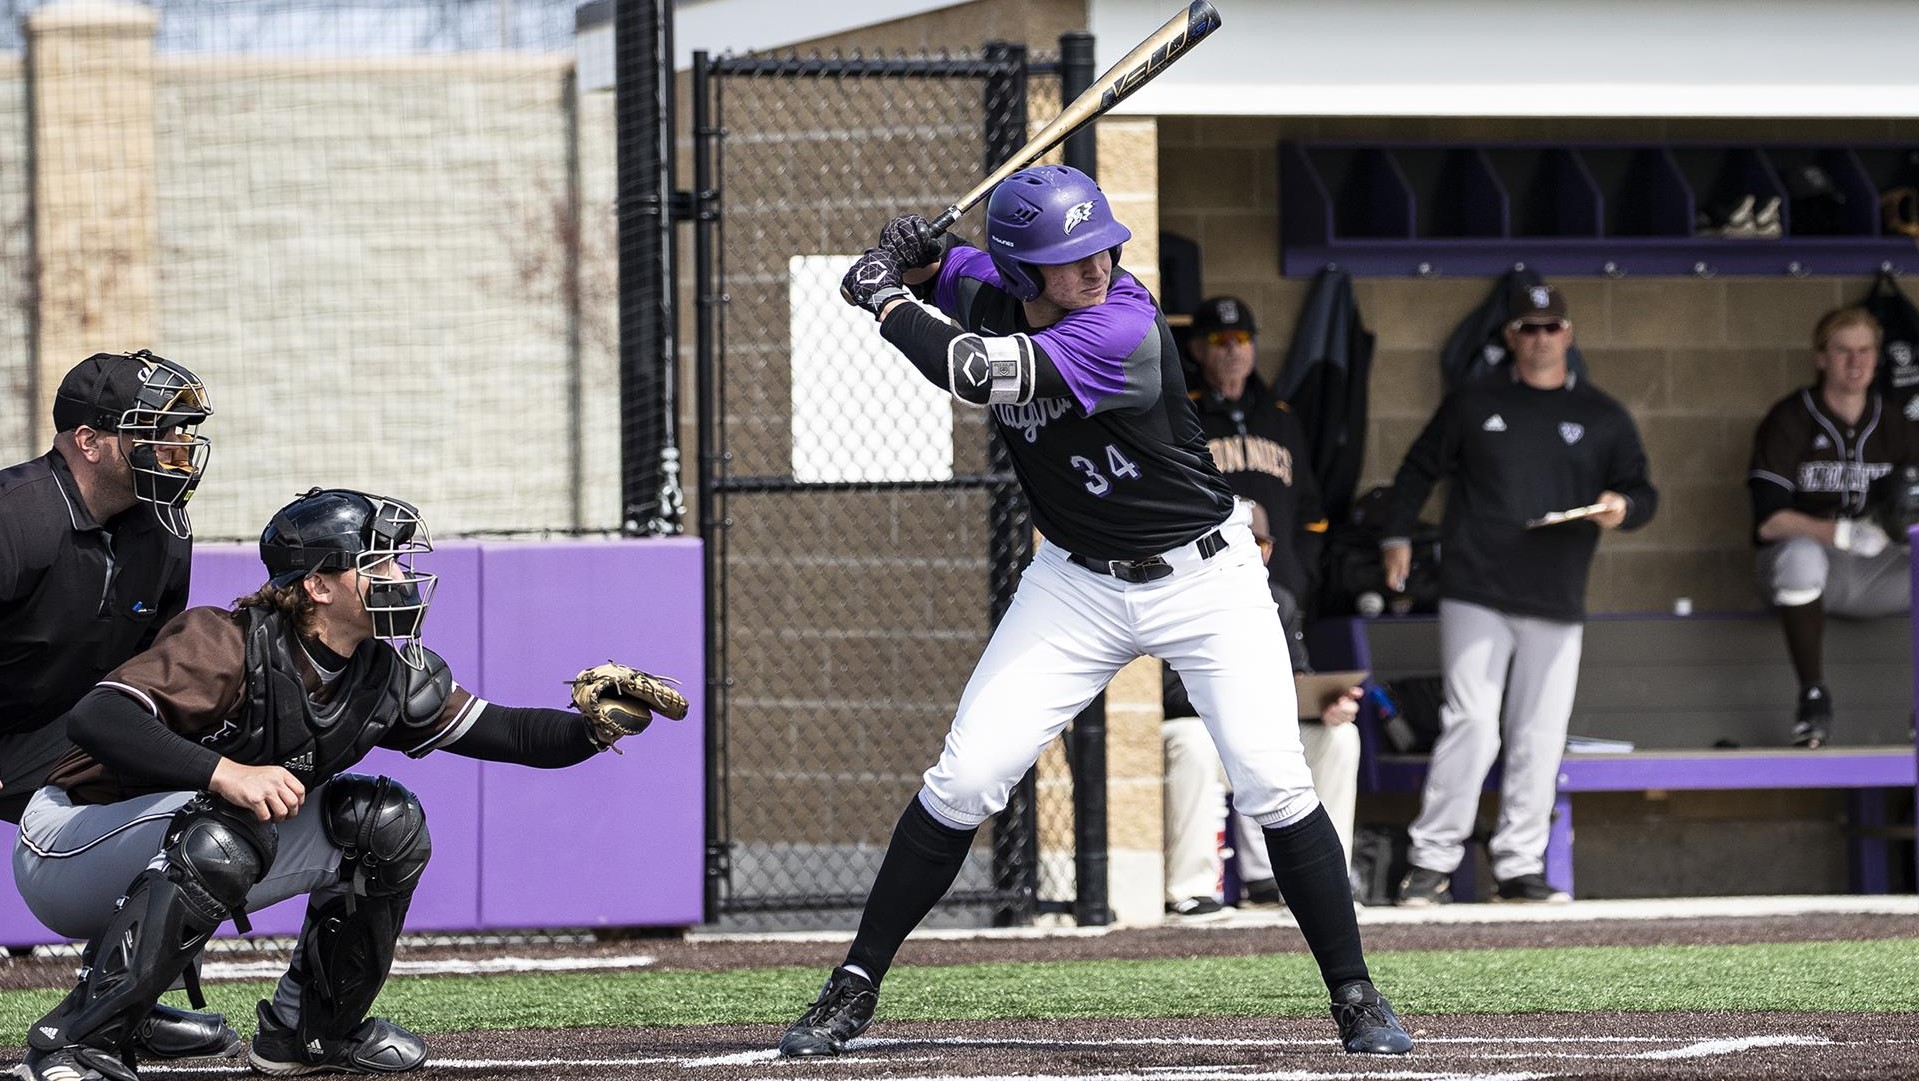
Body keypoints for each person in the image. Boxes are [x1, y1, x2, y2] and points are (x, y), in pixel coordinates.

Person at [778, 165, 1413, 1058]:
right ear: (1021, 269)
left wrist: (884, 299)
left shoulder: (1125, 324)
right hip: (1075, 581)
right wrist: (914, 258)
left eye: (1101, 246)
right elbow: (950, 273)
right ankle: (851, 986)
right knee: (964, 778)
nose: (1097, 265)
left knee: (1273, 780)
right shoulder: (995, 283)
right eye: (1069, 257)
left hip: (1204, 577)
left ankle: (1354, 994)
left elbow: (970, 370)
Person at [11, 487, 684, 1081]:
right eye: (378, 563)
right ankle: (74, 1042)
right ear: (317, 585)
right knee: (222, 831)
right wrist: (227, 772)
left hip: (189, 835)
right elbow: (97, 716)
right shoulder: (226, 642)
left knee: (385, 821)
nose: (400, 576)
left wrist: (591, 727)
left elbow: (504, 732)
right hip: (69, 839)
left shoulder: (382, 673)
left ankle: (312, 1032)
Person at [1379, 282, 1657, 906]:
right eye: (1527, 328)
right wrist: (1394, 533)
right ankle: (1430, 861)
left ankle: (1519, 863)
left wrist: (1622, 507)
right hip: (1476, 587)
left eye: (1550, 327)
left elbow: (1641, 491)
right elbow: (1418, 468)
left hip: (1557, 595)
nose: (1540, 338)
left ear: (1569, 333)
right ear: (1509, 336)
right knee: (1472, 723)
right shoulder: (1474, 401)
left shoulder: (1602, 414)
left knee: (1539, 732)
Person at [0, 350, 241, 1063]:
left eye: (182, 431)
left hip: (65, 729)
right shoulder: (14, 519)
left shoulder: (164, 529)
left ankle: (118, 997)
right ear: (88, 440)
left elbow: (148, 678)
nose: (177, 448)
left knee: (199, 781)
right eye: (156, 430)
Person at [1161, 297, 1361, 918]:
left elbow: (1311, 513)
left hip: (1278, 599)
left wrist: (1325, 699)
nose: (1231, 349)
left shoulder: (1281, 417)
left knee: (1333, 735)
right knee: (1212, 738)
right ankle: (1204, 887)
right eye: (1219, 339)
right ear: (1198, 349)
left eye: (1242, 337)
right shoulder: (1184, 413)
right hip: (1201, 670)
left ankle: (1311, 885)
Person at [1747, 306, 1918, 748]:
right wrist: (1839, 535)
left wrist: (1895, 526)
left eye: (1865, 351)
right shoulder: (1790, 418)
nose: (1856, 362)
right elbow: (1768, 520)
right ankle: (1813, 699)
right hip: (1805, 566)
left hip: (1876, 568)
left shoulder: (1896, 424)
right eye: (1843, 351)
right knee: (1800, 555)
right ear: (1821, 357)